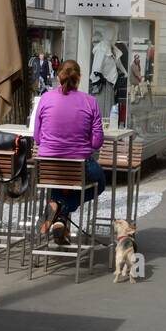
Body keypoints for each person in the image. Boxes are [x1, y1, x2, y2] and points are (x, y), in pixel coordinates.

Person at [34, 60, 106, 244]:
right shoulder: (90, 102)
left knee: (60, 185)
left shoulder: (45, 99)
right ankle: (63, 209)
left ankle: (58, 212)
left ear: (59, 76)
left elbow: (37, 138)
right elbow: (97, 142)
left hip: (48, 167)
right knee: (101, 181)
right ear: (79, 78)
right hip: (78, 166)